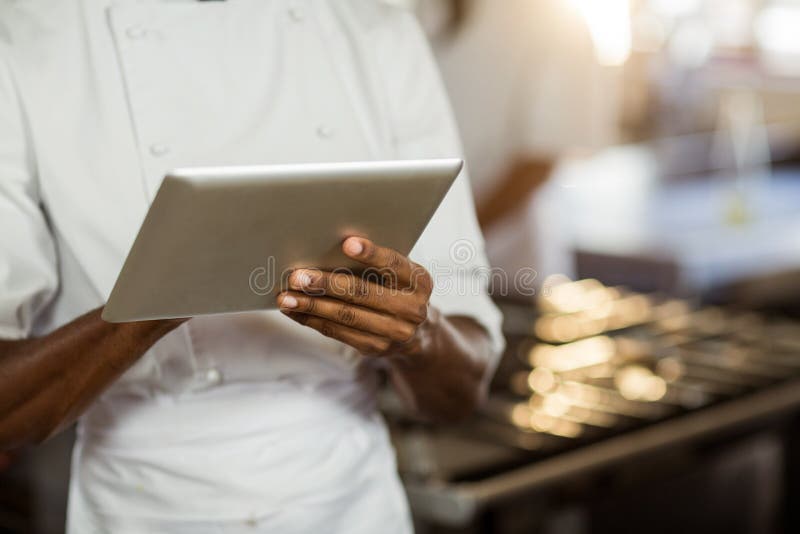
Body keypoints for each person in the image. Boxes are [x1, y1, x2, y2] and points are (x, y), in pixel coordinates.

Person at [0, 1, 504, 532]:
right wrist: (162, 294)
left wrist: (416, 337)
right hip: (141, 506)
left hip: (350, 503)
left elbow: (463, 388)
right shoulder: (27, 30)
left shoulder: (375, 22)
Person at [418, 0, 620, 285]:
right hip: (419, 265)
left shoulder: (551, 18)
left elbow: (541, 158)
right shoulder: (412, 11)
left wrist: (450, 240)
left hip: (508, 270)